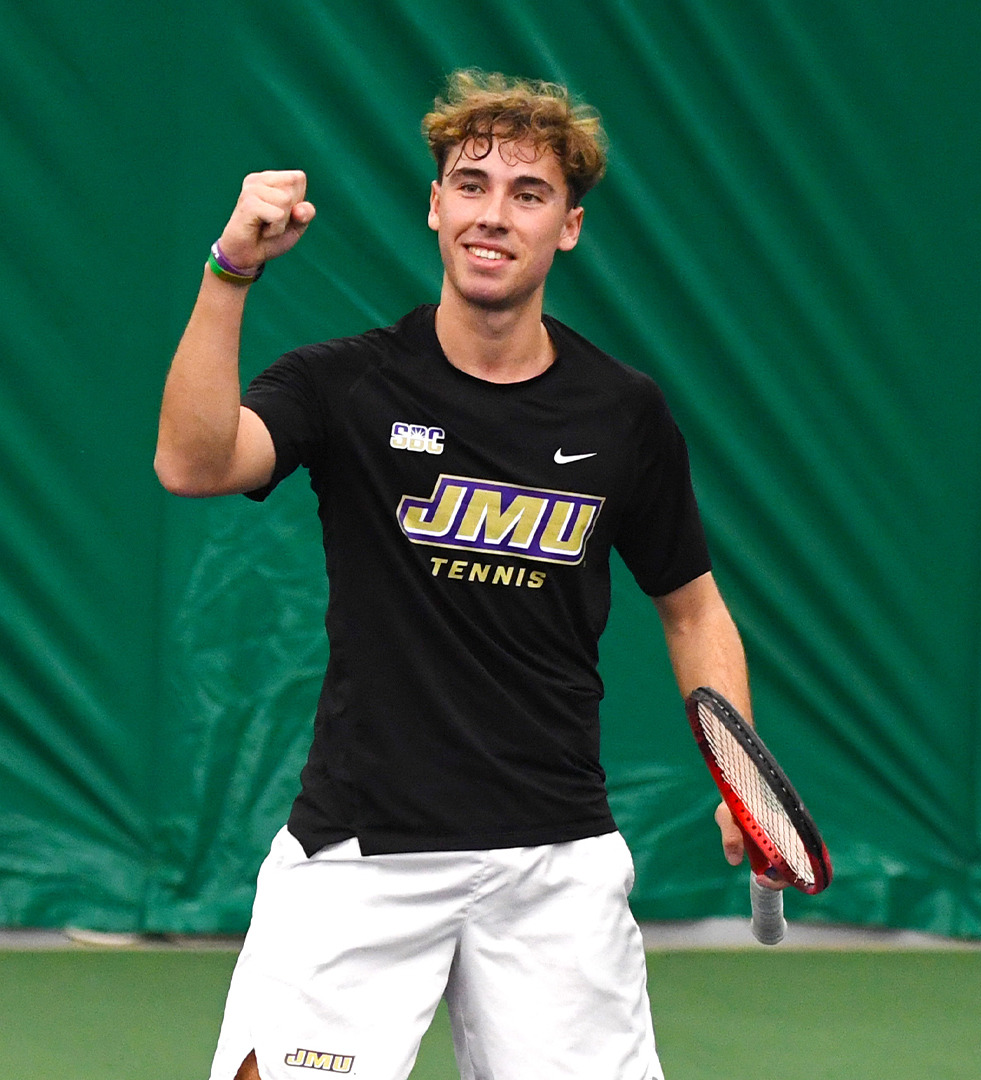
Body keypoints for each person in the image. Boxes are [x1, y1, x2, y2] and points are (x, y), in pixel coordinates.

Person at [155, 70, 776, 1080]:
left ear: (568, 226)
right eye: (472, 183)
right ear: (435, 205)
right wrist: (230, 272)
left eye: (527, 194)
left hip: (555, 861)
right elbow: (191, 462)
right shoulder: (344, 382)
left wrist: (739, 773)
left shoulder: (623, 413)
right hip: (363, 853)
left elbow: (692, 609)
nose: (495, 213)